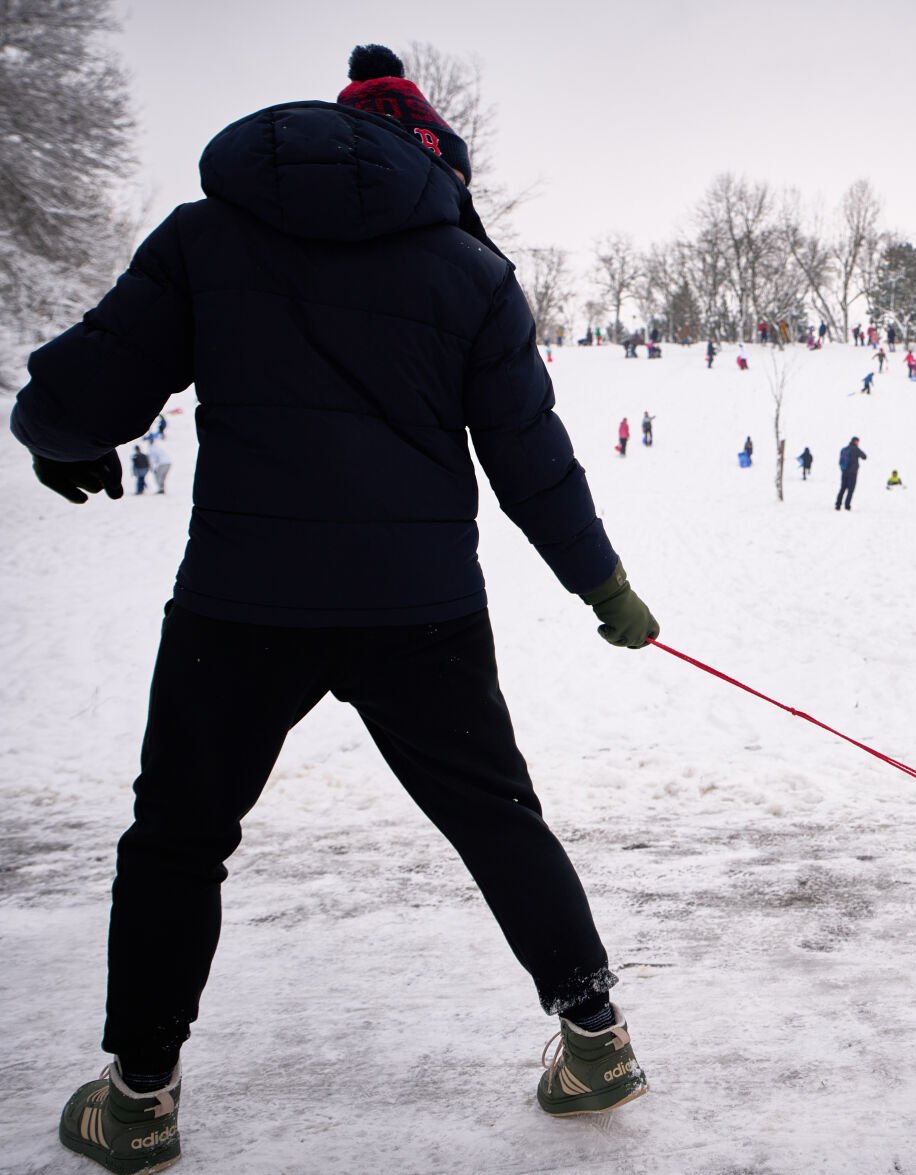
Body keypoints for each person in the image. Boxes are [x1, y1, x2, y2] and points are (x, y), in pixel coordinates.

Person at [11, 44, 660, 1172]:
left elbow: (84, 388)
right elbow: (531, 458)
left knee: (177, 839)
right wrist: (600, 585)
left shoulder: (206, 235)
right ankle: (595, 1040)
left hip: (240, 603)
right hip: (419, 612)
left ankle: (137, 1098)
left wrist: (60, 441)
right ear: (431, 158)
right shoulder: (468, 268)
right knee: (494, 814)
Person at [835, 435, 866, 510]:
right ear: (855, 441)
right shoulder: (856, 449)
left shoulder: (844, 449)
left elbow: (840, 461)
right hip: (852, 473)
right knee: (850, 489)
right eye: (858, 441)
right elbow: (864, 457)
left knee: (842, 488)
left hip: (844, 472)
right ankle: (847, 505)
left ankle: (838, 504)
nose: (858, 443)